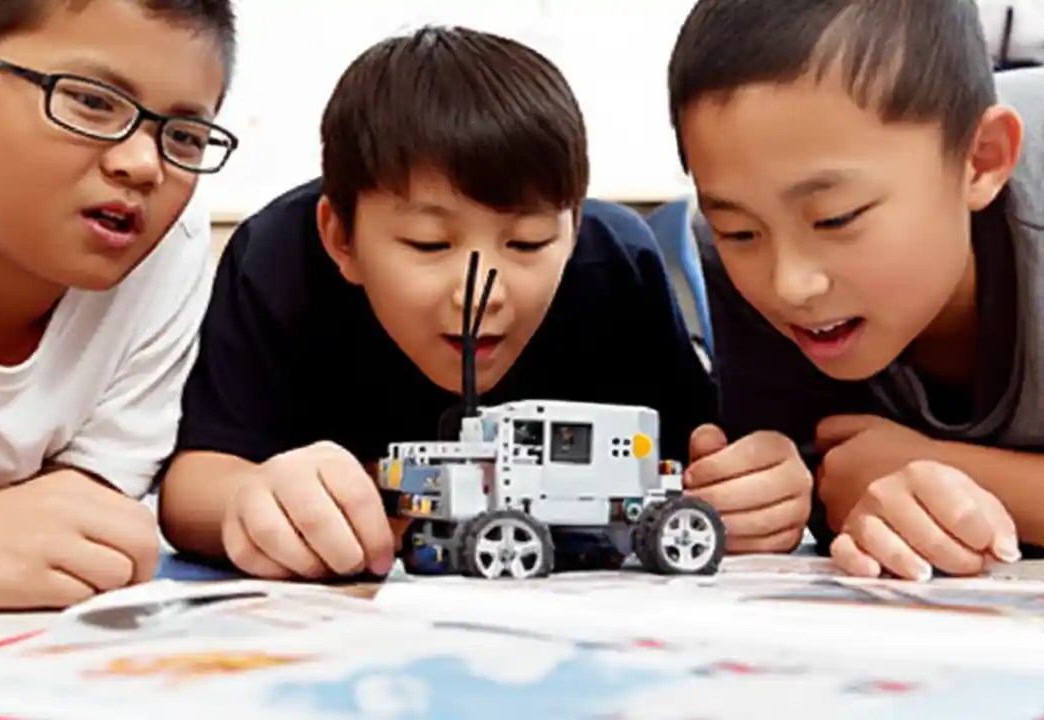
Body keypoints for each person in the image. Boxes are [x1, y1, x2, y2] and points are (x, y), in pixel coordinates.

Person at [159, 26, 813, 582]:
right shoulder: (280, 258)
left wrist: (757, 490)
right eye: (428, 242)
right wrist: (249, 499)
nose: (484, 293)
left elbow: (702, 461)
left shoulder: (614, 262)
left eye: (528, 242)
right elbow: (193, 483)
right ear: (342, 237)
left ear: (574, 224)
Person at [667, 0, 1044, 580]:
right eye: (740, 231)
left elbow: (873, 472)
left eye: (835, 219)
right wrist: (774, 498)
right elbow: (834, 485)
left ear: (980, 161)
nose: (790, 284)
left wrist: (942, 468)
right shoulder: (733, 250)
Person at [0, 0, 238, 609]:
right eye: (91, 101)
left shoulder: (169, 256)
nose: (142, 165)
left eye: (184, 136)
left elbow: (85, 529)